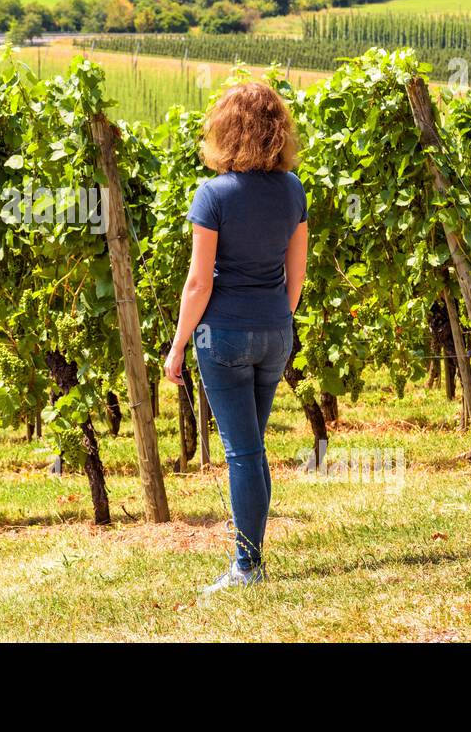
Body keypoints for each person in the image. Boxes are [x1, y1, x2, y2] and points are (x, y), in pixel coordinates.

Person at [163, 80, 308, 595]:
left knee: (243, 453)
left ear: (225, 130)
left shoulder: (213, 194)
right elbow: (298, 275)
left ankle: (247, 567)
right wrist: (275, 318)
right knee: (254, 448)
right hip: (275, 332)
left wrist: (178, 344)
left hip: (221, 336)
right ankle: (252, 558)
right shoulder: (293, 189)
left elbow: (200, 283)